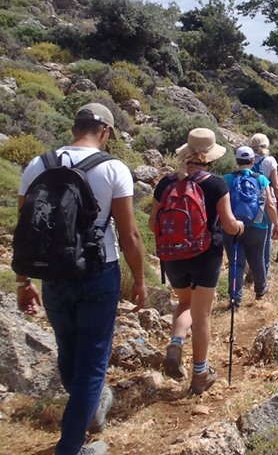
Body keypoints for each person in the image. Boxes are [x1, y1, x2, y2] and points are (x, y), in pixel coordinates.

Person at [16, 103, 147, 455]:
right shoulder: (113, 169)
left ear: (76, 127)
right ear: (104, 131)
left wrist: (22, 281)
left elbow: (24, 230)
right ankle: (71, 447)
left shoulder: (38, 165)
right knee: (92, 362)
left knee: (69, 352)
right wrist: (139, 280)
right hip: (98, 272)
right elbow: (130, 234)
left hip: (52, 273)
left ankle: (86, 410)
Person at [151, 128, 246, 396]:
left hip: (173, 256)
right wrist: (239, 227)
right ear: (210, 157)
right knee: (201, 314)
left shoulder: (166, 182)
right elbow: (227, 225)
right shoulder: (216, 184)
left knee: (183, 302)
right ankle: (200, 374)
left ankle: (175, 344)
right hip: (206, 255)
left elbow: (152, 223)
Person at [223, 146, 278, 307]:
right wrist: (276, 223)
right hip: (258, 226)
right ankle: (260, 289)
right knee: (257, 259)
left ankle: (235, 298)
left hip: (233, 226)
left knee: (236, 262)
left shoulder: (227, 179)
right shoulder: (261, 179)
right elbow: (269, 204)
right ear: (252, 161)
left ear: (237, 161)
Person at [249, 133, 278, 270]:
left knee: (251, 234)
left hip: (249, 201)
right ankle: (264, 269)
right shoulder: (270, 161)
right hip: (267, 200)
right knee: (267, 237)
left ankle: (252, 265)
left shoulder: (248, 159)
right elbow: (276, 186)